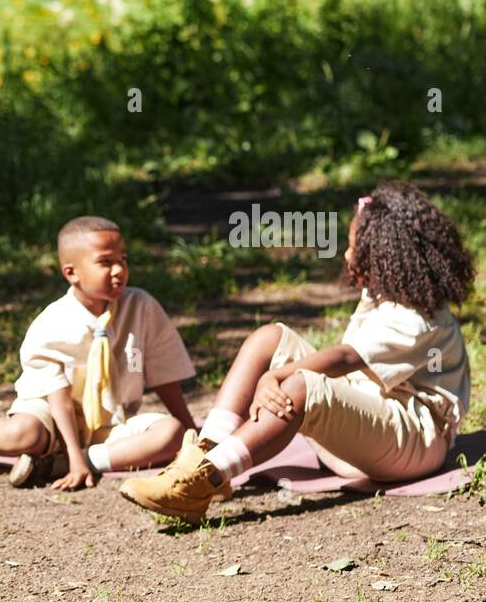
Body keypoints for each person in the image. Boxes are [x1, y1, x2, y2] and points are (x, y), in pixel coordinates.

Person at [121, 182, 473, 525]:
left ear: (381, 255)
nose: (347, 254)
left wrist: (275, 377)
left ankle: (202, 481)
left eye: (353, 246)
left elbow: (346, 358)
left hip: (411, 448)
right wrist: (273, 370)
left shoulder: (417, 317)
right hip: (366, 433)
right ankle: (206, 453)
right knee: (268, 338)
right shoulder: (387, 292)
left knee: (301, 384)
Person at [0, 215, 196, 490]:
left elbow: (163, 372)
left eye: (123, 260)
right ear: (72, 273)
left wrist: (193, 432)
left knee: (172, 434)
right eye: (105, 263)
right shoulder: (52, 323)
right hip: (51, 421)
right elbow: (58, 397)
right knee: (22, 432)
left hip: (111, 425)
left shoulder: (141, 306)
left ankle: (61, 465)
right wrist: (72, 450)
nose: (119, 270)